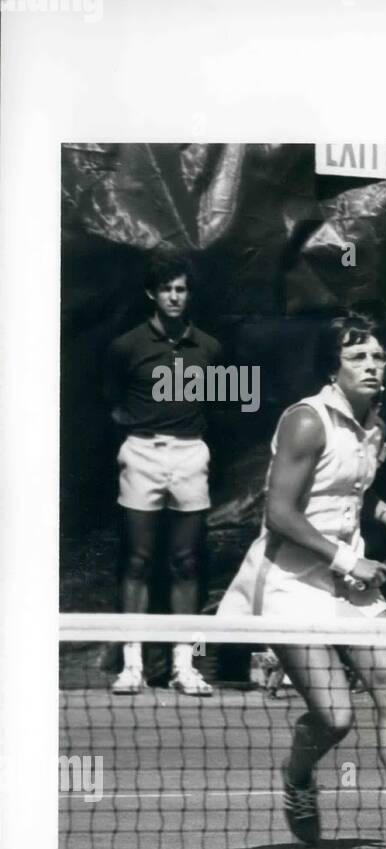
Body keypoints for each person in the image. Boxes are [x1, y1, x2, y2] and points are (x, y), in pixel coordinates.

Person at [218, 315, 386, 849]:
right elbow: (279, 513)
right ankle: (297, 774)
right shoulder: (306, 422)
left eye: (378, 357)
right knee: (336, 717)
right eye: (356, 356)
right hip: (290, 582)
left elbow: (350, 497)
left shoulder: (376, 426)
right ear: (332, 367)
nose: (371, 365)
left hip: (348, 579)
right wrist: (348, 559)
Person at [106, 249, 222, 696]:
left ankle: (183, 666)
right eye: (167, 289)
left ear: (189, 294)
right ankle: (132, 665)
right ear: (152, 294)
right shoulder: (127, 346)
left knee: (186, 562)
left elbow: (220, 404)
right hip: (141, 454)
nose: (175, 297)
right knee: (137, 560)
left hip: (191, 455)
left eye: (182, 289)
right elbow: (111, 401)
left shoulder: (210, 349)